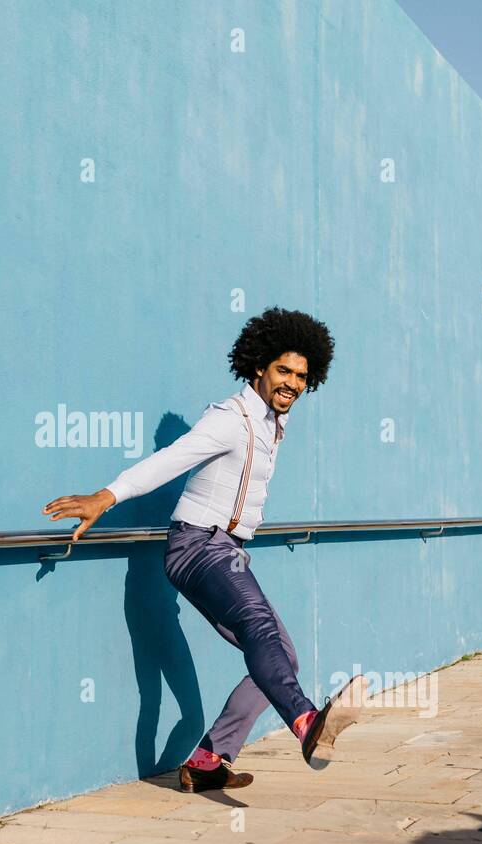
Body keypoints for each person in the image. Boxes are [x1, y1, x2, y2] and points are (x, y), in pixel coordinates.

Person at [43, 307, 365, 793]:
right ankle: (306, 723)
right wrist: (105, 497)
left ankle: (208, 759)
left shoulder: (273, 423)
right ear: (259, 365)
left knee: (282, 658)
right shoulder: (230, 419)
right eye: (284, 371)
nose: (293, 384)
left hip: (226, 550)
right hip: (198, 545)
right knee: (259, 631)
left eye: (302, 376)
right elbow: (170, 460)